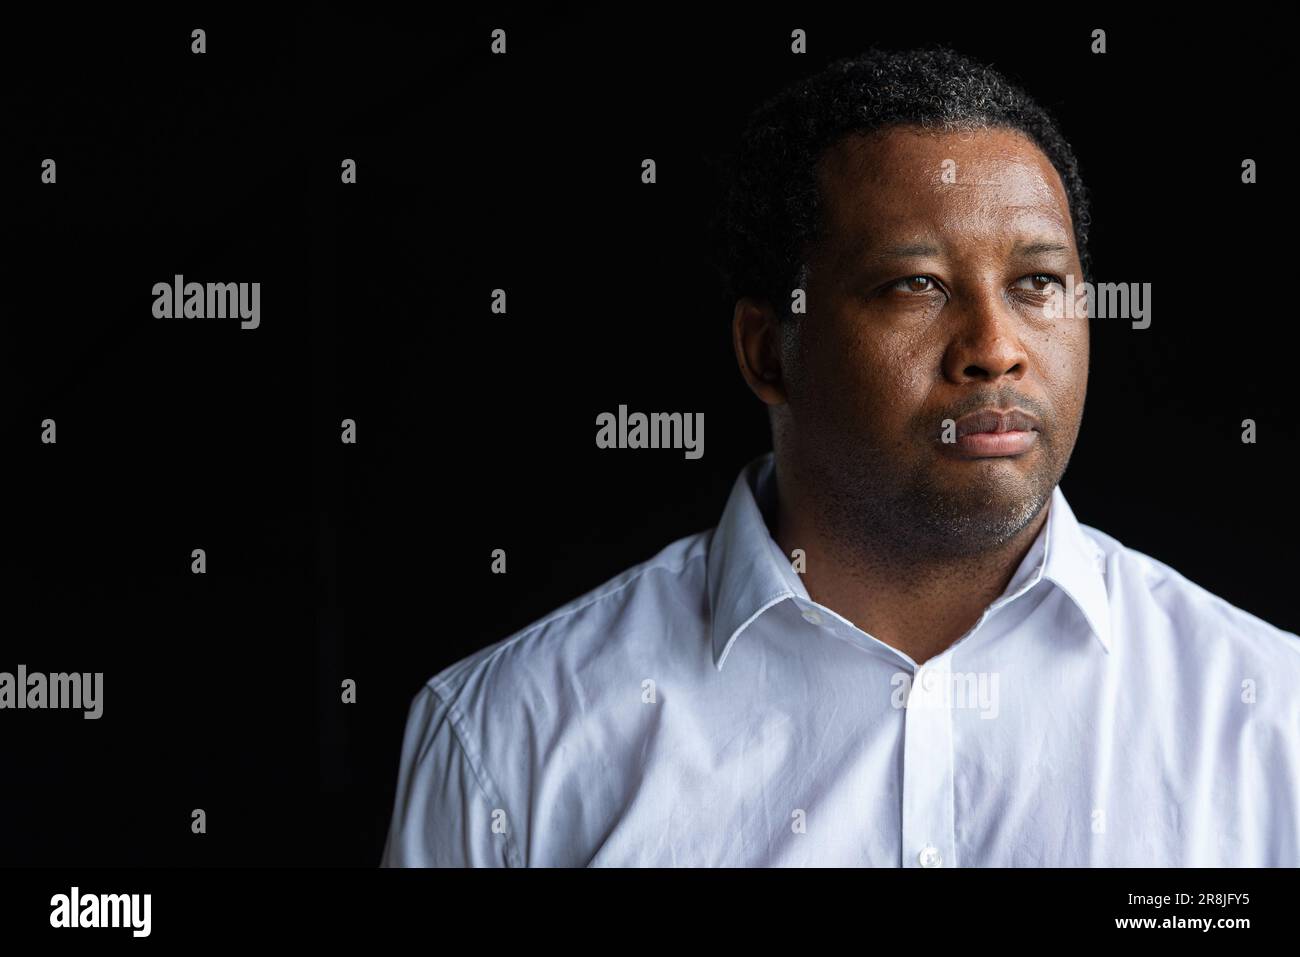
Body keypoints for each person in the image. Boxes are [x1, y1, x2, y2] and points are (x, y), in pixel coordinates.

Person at [381, 46, 1300, 867]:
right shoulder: (511, 740)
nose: (996, 345)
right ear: (769, 351)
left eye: (1036, 284)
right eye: (917, 286)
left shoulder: (1270, 720)